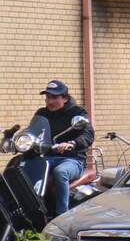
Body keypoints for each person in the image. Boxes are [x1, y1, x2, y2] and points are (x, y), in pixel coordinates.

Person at [26, 80, 95, 217]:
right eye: (48, 97)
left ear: (65, 98)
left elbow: (88, 134)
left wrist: (73, 143)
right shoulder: (42, 113)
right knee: (23, 168)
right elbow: (32, 132)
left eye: (54, 97)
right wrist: (21, 140)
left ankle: (62, 215)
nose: (50, 101)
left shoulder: (77, 112)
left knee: (60, 172)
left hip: (72, 159)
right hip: (47, 157)